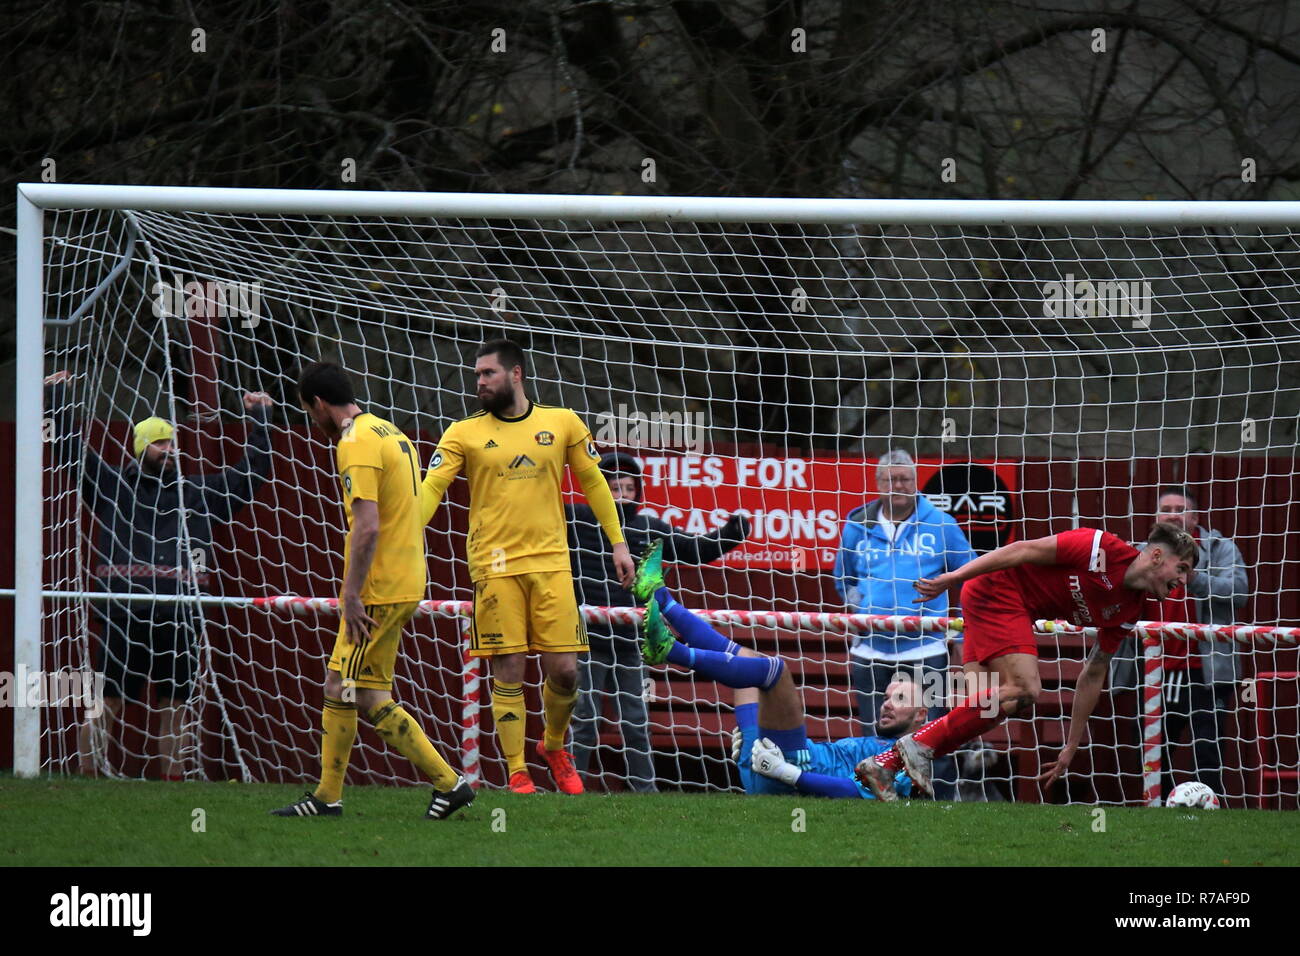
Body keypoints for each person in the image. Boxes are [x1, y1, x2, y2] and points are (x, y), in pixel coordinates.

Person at [419, 339, 635, 794]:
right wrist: (400, 535)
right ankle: (518, 770)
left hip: (552, 564)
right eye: (477, 374)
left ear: (515, 374)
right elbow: (431, 489)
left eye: (487, 374)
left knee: (565, 671)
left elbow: (595, 483)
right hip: (493, 566)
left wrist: (619, 544)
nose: (479, 382)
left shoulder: (561, 423)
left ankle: (553, 745)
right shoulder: (463, 432)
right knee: (509, 666)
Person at [853, 522, 1197, 802]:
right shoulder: (1099, 547)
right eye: (1181, 568)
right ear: (1155, 556)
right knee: (1026, 689)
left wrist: (1071, 745)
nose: (1183, 580)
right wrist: (953, 578)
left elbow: (1094, 672)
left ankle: (885, 765)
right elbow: (1020, 550)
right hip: (996, 590)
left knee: (990, 710)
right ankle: (914, 749)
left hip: (1000, 605)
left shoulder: (1133, 609)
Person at [44, 370, 272, 779]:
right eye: (161, 442)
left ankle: (173, 781)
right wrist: (57, 398)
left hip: (181, 614)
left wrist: (260, 420)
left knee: (176, 704)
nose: (170, 449)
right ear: (141, 446)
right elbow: (70, 451)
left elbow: (251, 475)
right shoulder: (112, 487)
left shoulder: (200, 493)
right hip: (125, 612)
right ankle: (87, 775)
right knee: (107, 700)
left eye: (173, 442)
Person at [272, 361, 473, 820]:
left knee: (339, 684)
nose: (312, 421)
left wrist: (351, 594)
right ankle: (449, 784)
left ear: (320, 404)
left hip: (379, 590)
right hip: (405, 579)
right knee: (367, 694)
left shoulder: (355, 442)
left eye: (309, 411)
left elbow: (366, 527)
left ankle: (327, 798)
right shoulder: (390, 432)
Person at [633, 540, 918, 799]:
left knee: (774, 671)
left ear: (922, 716)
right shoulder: (881, 743)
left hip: (786, 771)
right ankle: (660, 597)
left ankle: (671, 650)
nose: (887, 705)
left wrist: (789, 773)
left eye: (900, 699)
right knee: (747, 658)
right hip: (770, 760)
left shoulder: (912, 762)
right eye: (887, 697)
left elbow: (855, 792)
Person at [567, 452, 749, 792]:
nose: (620, 494)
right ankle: (571, 787)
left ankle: (645, 793)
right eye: (612, 488)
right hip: (585, 640)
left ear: (638, 492)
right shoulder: (574, 520)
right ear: (596, 490)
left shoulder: (649, 528)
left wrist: (730, 533)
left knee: (636, 722)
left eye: (628, 488)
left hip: (632, 643)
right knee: (583, 720)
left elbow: (694, 549)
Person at [832, 449, 976, 798]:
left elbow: (970, 571)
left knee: (932, 733)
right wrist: (861, 607)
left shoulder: (941, 524)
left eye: (904, 479)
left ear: (915, 482)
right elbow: (844, 578)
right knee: (875, 733)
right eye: (890, 479)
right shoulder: (858, 524)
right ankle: (878, 800)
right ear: (878, 483)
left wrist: (959, 619)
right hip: (871, 651)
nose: (897, 485)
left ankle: (938, 802)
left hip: (925, 649)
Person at [1111, 488, 1248, 799]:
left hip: (1207, 669)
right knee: (1153, 747)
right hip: (1157, 667)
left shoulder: (1220, 548)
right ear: (1156, 519)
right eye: (1165, 509)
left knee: (1208, 746)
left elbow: (1239, 591)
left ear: (1195, 517)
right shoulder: (1141, 553)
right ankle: (1165, 806)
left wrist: (1193, 577)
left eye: (1180, 509)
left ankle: (1208, 806)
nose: (1172, 514)